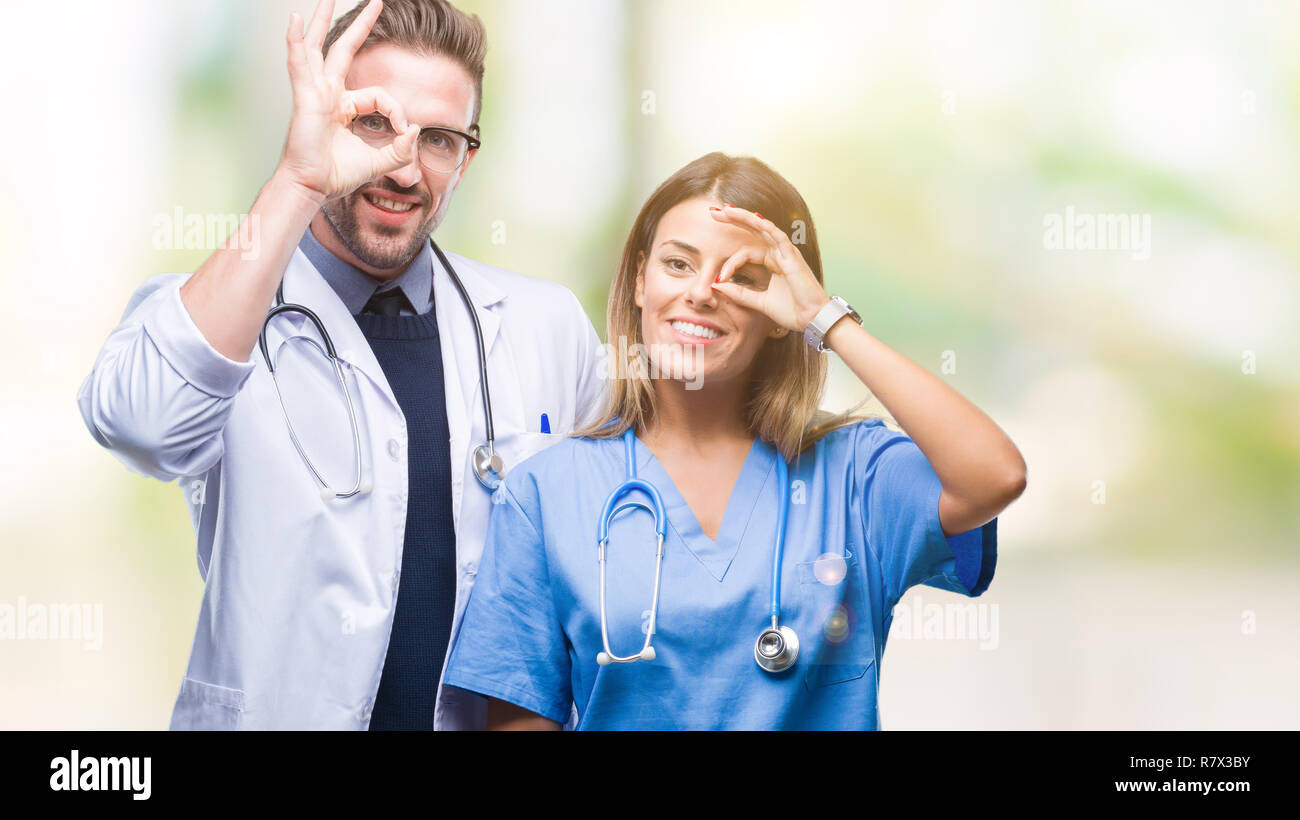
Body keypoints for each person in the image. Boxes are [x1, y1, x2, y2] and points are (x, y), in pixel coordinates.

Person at [76, 0, 604, 730]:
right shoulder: (221, 314)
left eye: (439, 139)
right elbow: (143, 427)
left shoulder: (546, 327)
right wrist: (299, 181)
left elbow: (611, 553)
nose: (404, 168)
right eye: (374, 123)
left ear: (466, 159)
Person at [441, 152, 1027, 730]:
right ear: (640, 280)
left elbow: (997, 477)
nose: (702, 293)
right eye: (678, 264)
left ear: (780, 312)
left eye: (743, 278)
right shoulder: (546, 494)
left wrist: (826, 319)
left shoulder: (856, 474)